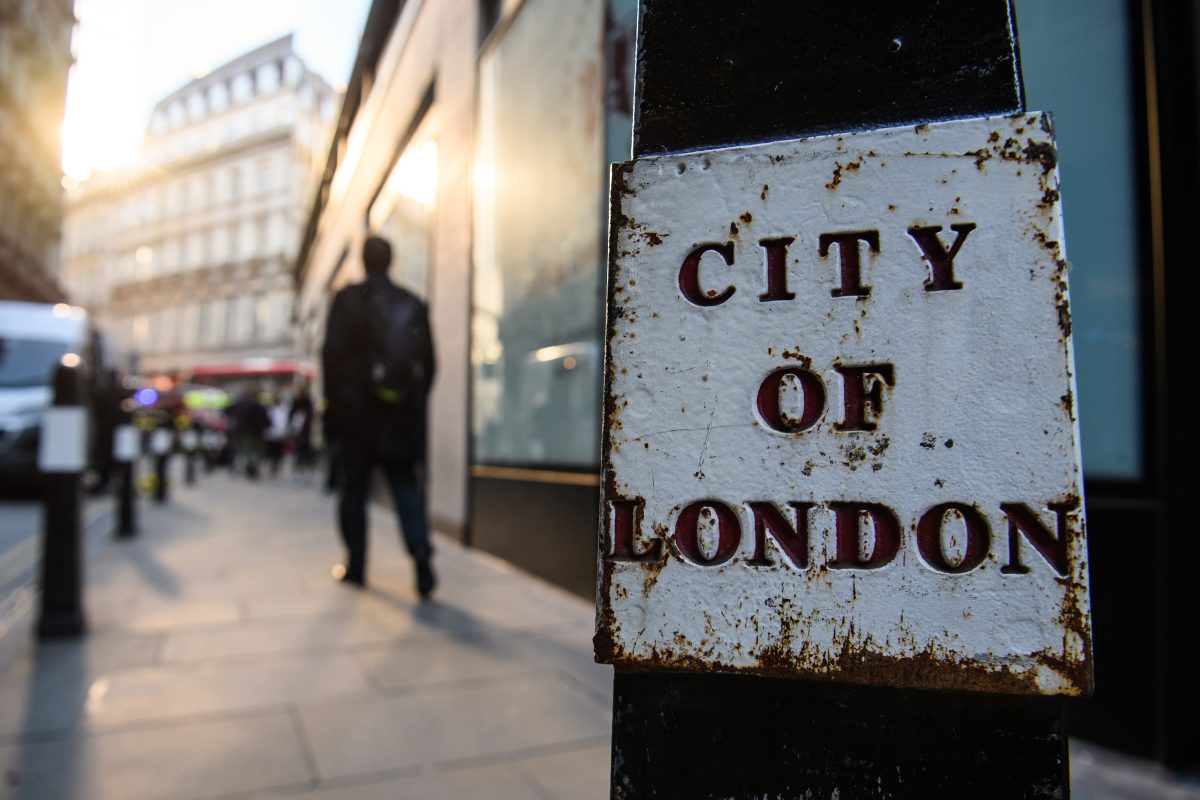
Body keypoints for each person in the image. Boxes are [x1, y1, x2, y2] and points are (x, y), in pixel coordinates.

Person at [321, 235, 436, 596]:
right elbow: (430, 366)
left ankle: (356, 565)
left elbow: (331, 360)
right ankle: (420, 552)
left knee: (353, 489)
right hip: (397, 418)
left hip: (355, 416)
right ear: (391, 260)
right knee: (404, 486)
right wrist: (408, 407)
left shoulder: (347, 300)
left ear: (364, 260)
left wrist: (333, 410)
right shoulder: (412, 303)